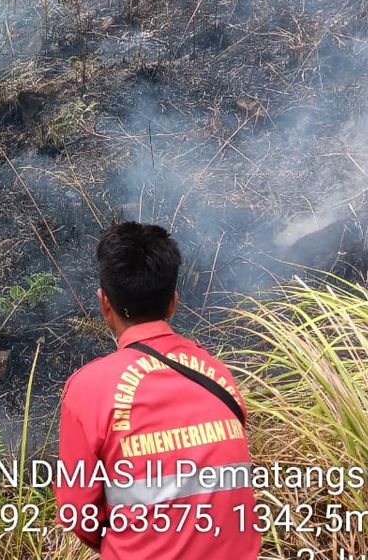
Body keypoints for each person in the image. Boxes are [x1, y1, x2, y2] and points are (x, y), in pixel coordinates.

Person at [54, 222, 259, 559]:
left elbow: (79, 513)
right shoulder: (217, 374)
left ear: (104, 304)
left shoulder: (88, 388)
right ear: (173, 304)